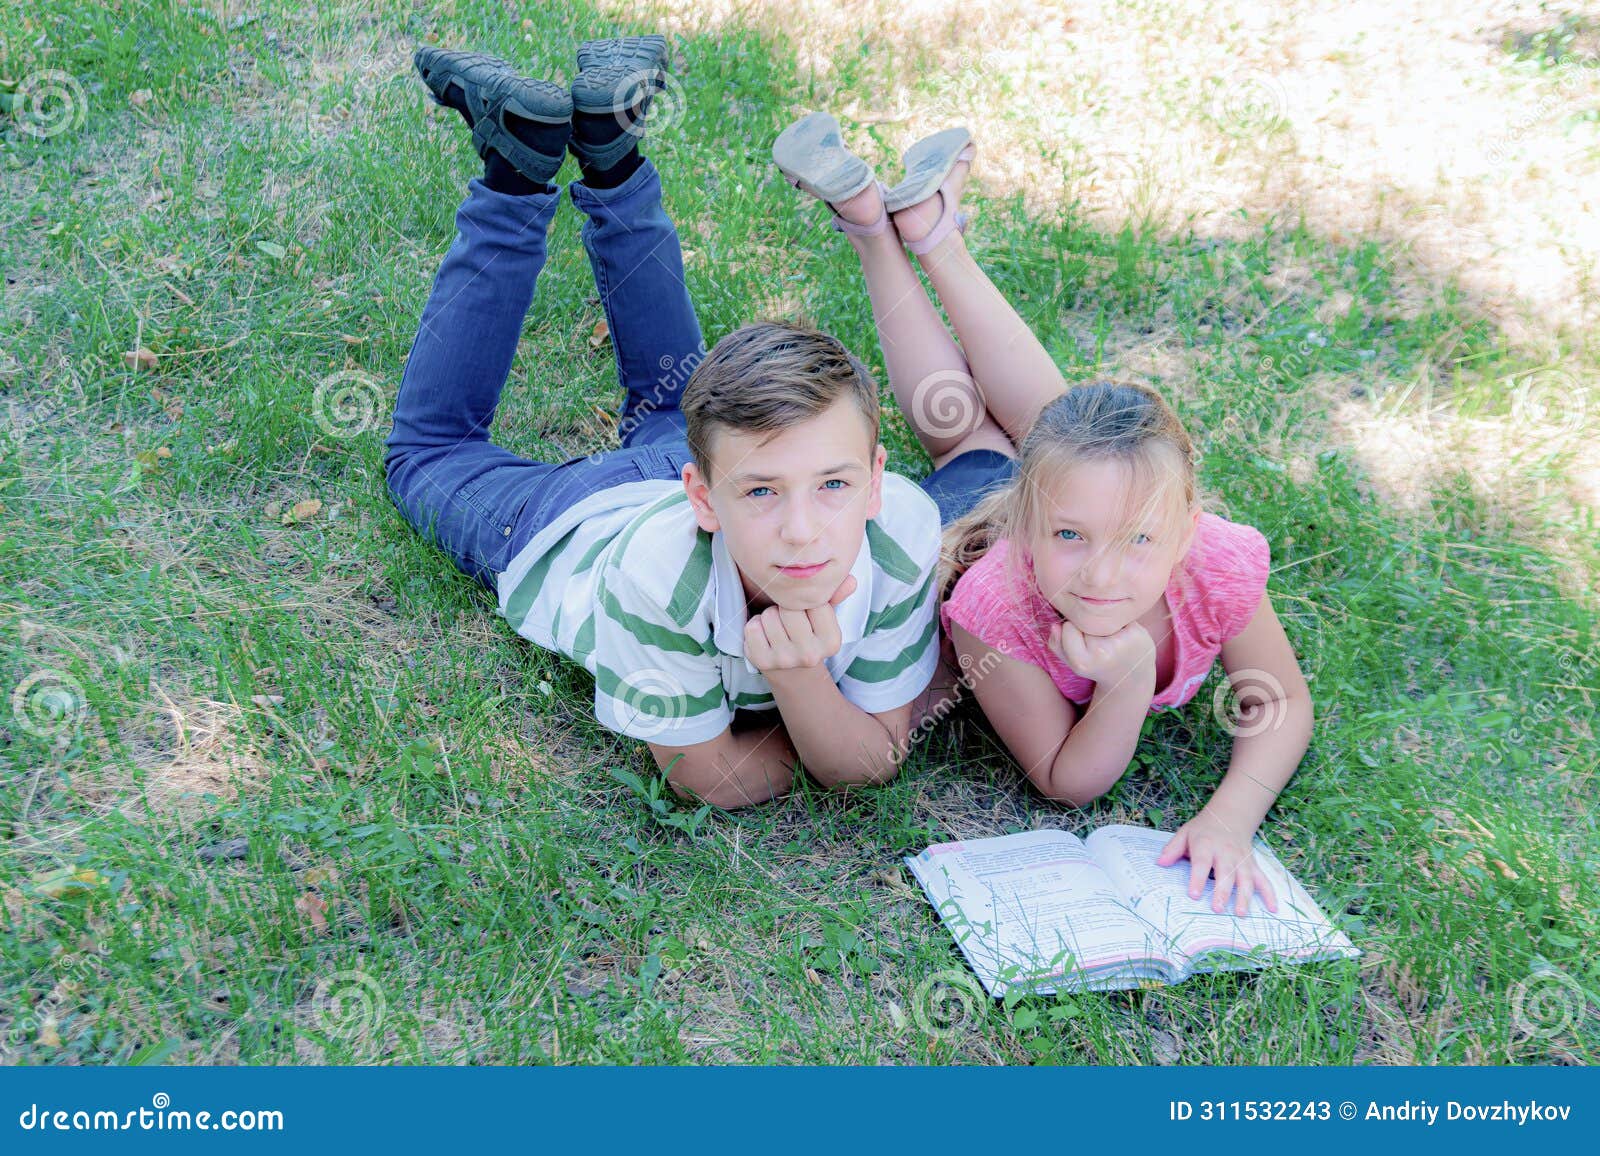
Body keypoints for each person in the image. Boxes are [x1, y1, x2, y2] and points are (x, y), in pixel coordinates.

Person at [775, 112, 1312, 915]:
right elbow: (1065, 781)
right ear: (1028, 524)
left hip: (1040, 488)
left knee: (1010, 432)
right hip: (961, 518)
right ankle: (905, 232)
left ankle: (898, 228)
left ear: (1187, 524)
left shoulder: (1214, 558)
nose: (1102, 576)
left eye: (1140, 540)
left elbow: (1281, 701)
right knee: (976, 448)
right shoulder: (995, 599)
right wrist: (1127, 681)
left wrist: (1231, 820)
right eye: (1071, 539)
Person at [384, 42, 943, 811]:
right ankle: (515, 178)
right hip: (568, 523)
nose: (804, 531)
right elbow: (714, 778)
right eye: (765, 496)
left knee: (669, 401)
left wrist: (800, 680)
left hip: (696, 462)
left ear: (878, 480)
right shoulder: (658, 575)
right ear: (704, 497)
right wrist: (827, 725)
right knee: (427, 453)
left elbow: (871, 757)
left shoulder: (906, 526)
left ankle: (604, 153)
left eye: (836, 485)